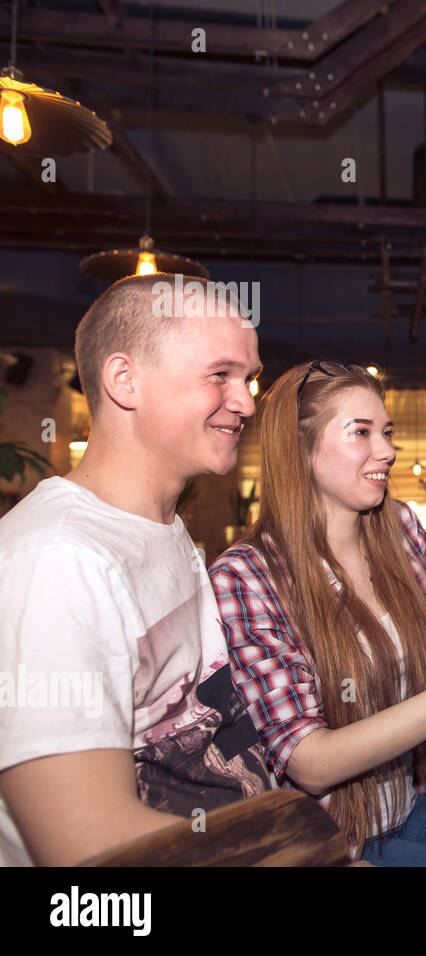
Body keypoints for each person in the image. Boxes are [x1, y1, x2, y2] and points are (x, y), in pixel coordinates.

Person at [208, 361, 426, 866]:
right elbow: (309, 761)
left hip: (412, 803)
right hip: (336, 840)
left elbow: (412, 639)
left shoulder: (397, 527)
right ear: (300, 448)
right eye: (361, 433)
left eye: (388, 433)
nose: (388, 451)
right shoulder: (247, 576)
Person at [0, 274, 272, 866]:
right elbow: (85, 847)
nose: (247, 401)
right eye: (220, 374)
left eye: (248, 378)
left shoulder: (163, 528)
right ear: (125, 380)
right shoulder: (56, 561)